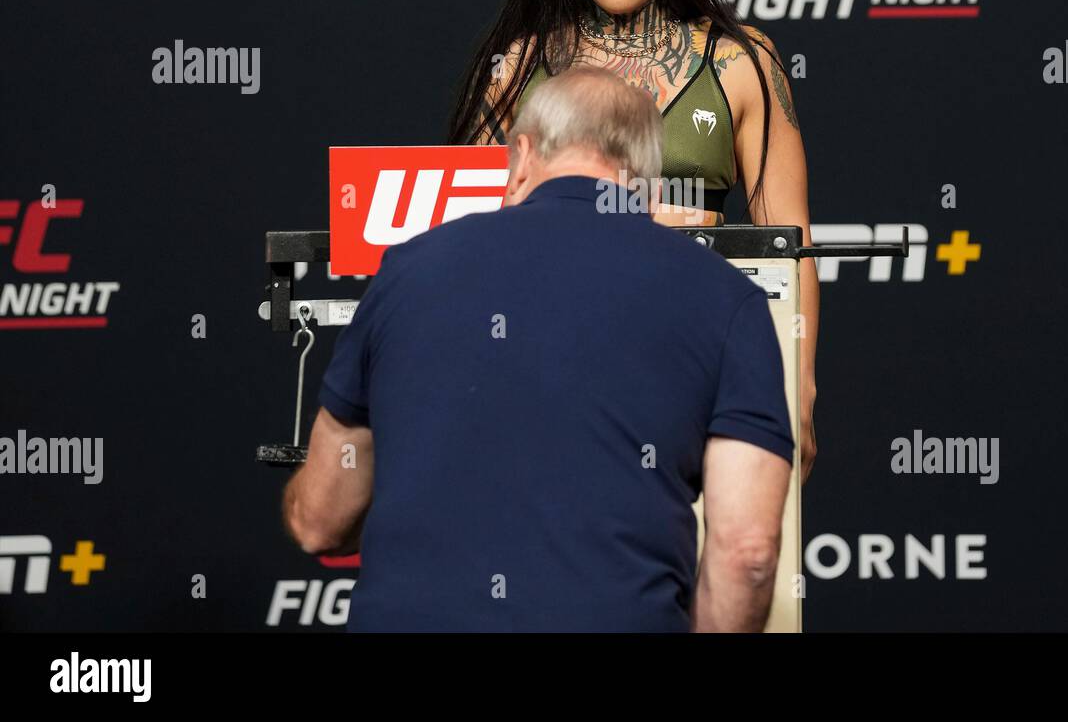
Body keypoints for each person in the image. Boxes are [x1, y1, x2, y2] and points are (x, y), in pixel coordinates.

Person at [283, 67, 794, 632]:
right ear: (647, 184)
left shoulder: (406, 269)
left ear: (522, 157)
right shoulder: (727, 298)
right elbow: (747, 554)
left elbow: (318, 521)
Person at [445, 0, 821, 482]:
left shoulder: (740, 62)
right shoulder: (519, 69)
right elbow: (470, 246)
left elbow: (789, 249)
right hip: (546, 364)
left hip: (695, 363)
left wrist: (800, 389)